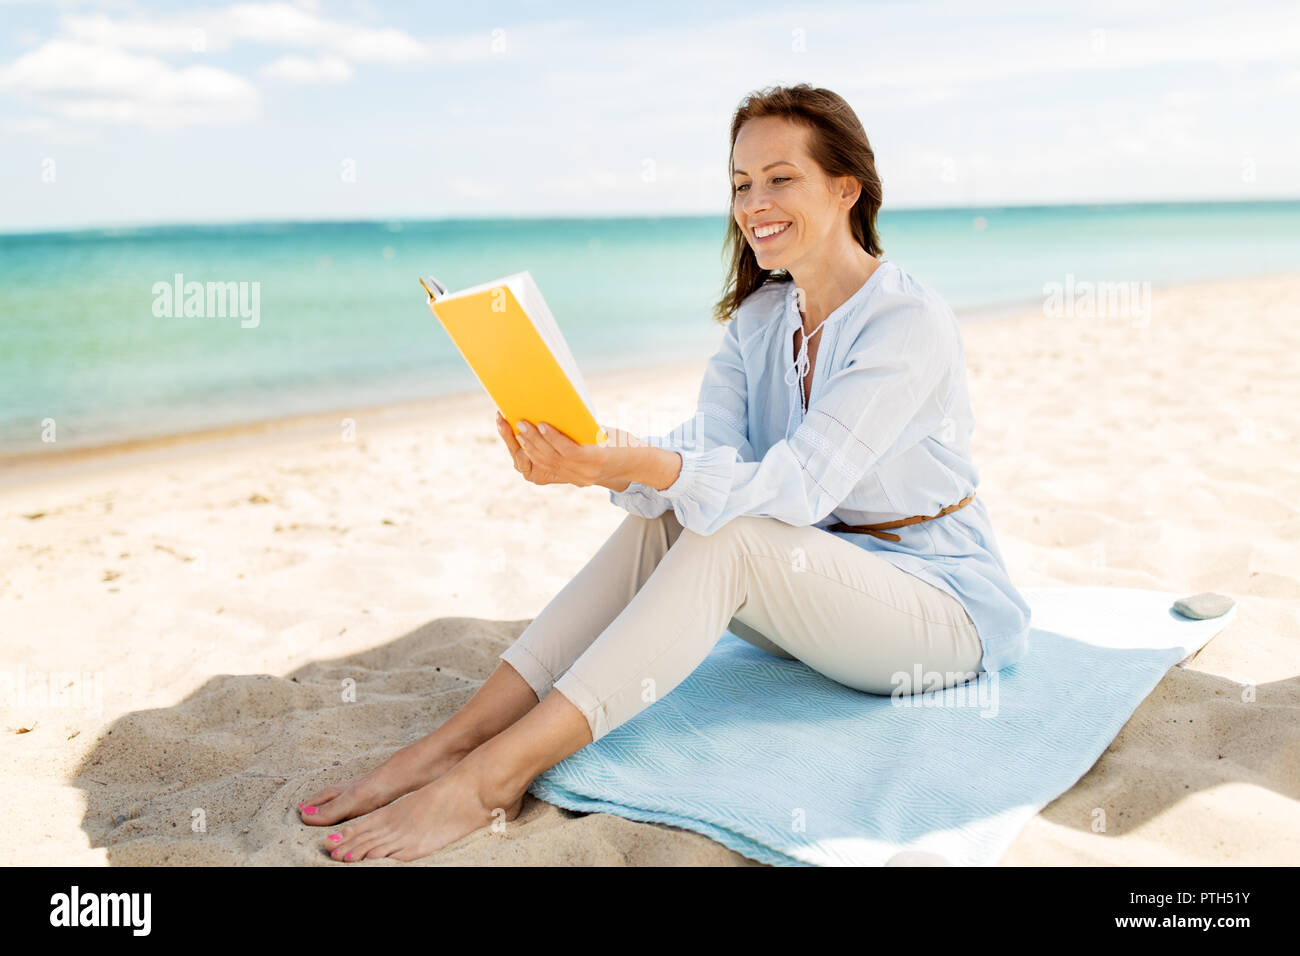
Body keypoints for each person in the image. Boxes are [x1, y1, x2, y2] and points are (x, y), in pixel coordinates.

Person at [298, 83, 1031, 863]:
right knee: (670, 512)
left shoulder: (904, 321)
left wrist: (639, 462)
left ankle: (490, 778)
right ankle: (457, 740)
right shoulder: (758, 321)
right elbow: (705, 460)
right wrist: (591, 459)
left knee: (730, 536)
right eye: (742, 184)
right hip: (823, 592)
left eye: (781, 178)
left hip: (938, 611)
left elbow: (801, 488)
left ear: (847, 187)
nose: (755, 203)